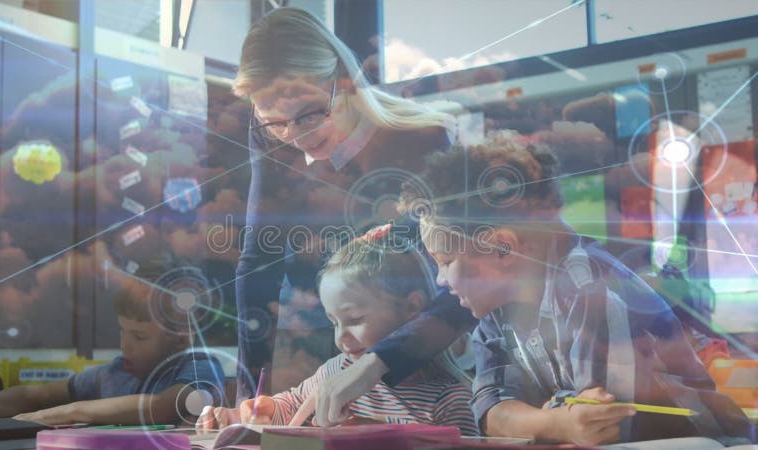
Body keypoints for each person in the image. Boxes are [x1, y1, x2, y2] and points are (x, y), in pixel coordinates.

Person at [399, 130, 755, 446]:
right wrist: (555, 421)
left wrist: (545, 421)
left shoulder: (593, 291)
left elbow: (602, 426)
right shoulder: (495, 313)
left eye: (445, 261)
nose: (441, 281)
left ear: (502, 247)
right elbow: (491, 411)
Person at [231, 6, 474, 425]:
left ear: (344, 82)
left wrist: (381, 360)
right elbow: (257, 269)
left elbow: (467, 279)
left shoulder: (424, 142)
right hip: (325, 358)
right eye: (274, 121)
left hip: (427, 372)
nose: (294, 135)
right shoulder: (271, 141)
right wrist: (247, 398)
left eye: (309, 113)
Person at [199, 225, 477, 435]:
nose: (340, 337)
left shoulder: (450, 400)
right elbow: (292, 405)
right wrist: (253, 412)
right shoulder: (336, 371)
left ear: (412, 307)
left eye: (354, 319)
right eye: (333, 322)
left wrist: (376, 435)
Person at [0, 277, 226, 426]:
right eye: (123, 332)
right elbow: (36, 394)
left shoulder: (201, 367)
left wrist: (67, 412)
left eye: (139, 336)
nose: (125, 345)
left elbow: (164, 406)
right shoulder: (115, 372)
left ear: (179, 340)